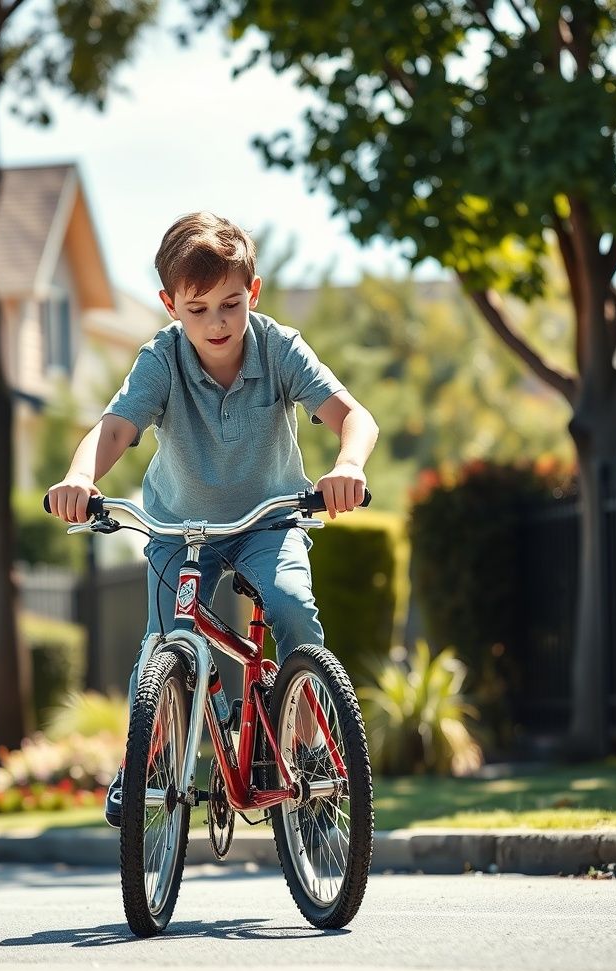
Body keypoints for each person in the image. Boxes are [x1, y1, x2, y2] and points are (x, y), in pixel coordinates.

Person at [46, 211, 379, 826]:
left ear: (252, 292)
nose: (217, 323)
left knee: (291, 608)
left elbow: (355, 418)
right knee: (165, 642)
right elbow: (116, 428)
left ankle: (303, 744)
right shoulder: (162, 360)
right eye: (197, 310)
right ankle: (145, 760)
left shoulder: (280, 349)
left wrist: (349, 464)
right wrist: (79, 478)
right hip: (180, 529)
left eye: (230, 304)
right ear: (170, 305)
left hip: (269, 519)